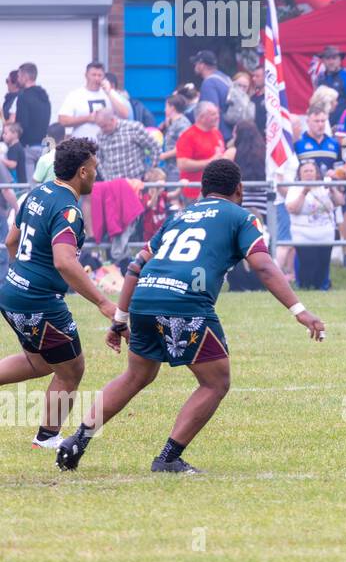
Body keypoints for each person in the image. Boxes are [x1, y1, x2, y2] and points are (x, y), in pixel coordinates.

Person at [56, 159, 324, 474]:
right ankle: (168, 457)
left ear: (202, 189)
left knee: (136, 376)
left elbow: (134, 268)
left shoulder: (178, 216)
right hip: (184, 303)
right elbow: (264, 266)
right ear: (239, 189)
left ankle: (77, 440)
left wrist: (120, 320)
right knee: (216, 382)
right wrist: (299, 311)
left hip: (144, 297)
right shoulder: (241, 217)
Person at [0, 139, 118, 450]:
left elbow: (12, 240)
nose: (96, 173)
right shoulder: (68, 208)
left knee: (38, 363)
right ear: (82, 172)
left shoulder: (36, 192)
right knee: (72, 369)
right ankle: (47, 437)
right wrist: (104, 303)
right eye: (94, 168)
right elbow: (64, 261)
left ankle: (47, 435)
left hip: (11, 290)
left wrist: (21, 274)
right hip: (38, 300)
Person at [285, 160, 342, 290]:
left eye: (311, 171)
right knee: (308, 263)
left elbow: (340, 202)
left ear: (317, 173)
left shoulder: (325, 186)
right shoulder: (294, 188)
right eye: (305, 171)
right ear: (300, 174)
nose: (309, 174)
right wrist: (304, 193)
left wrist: (333, 189)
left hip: (325, 232)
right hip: (303, 233)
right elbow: (292, 208)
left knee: (323, 263)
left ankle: (322, 287)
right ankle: (305, 287)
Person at [58, 61, 130, 140]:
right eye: (93, 75)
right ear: (86, 75)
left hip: (108, 146)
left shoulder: (110, 92)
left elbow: (125, 115)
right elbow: (62, 120)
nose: (96, 78)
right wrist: (87, 118)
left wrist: (109, 93)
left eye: (99, 75)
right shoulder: (75, 95)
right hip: (82, 146)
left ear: (104, 77)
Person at [175, 102, 229, 199]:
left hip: (217, 193)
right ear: (201, 117)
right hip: (194, 194)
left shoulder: (217, 133)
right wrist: (210, 162)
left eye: (217, 113)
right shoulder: (188, 136)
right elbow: (182, 164)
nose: (217, 117)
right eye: (213, 114)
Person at [91, 109, 160, 182]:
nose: (102, 130)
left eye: (104, 126)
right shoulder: (100, 135)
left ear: (113, 120)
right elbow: (99, 159)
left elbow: (154, 146)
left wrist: (152, 170)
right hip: (113, 184)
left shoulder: (133, 128)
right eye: (100, 127)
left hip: (136, 182)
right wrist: (106, 178)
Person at [13, 63, 51, 182]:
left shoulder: (23, 97)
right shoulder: (44, 97)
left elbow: (21, 124)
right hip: (44, 146)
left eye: (18, 76)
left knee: (29, 186)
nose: (17, 80)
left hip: (28, 147)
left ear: (25, 76)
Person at [192, 50, 235, 139]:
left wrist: (211, 139)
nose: (195, 66)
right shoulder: (225, 78)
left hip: (221, 136)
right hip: (231, 132)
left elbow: (211, 112)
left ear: (202, 65)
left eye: (196, 63)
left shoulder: (209, 83)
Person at [313, 45, 346, 125]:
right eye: (328, 58)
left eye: (334, 58)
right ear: (323, 60)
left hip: (342, 126)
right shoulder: (320, 79)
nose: (331, 62)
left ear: (340, 60)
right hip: (323, 124)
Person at [294, 106, 342, 176]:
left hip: (329, 185)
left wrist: (336, 172)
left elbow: (340, 166)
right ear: (308, 122)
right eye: (316, 121)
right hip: (307, 185)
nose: (320, 124)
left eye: (323, 121)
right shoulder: (298, 144)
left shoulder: (334, 144)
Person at [159, 93, 192, 181]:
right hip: (170, 167)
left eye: (166, 106)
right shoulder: (173, 122)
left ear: (172, 108)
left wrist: (164, 155)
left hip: (177, 170)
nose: (164, 109)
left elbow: (183, 147)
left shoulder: (182, 124)